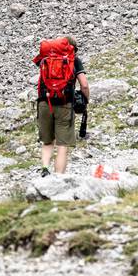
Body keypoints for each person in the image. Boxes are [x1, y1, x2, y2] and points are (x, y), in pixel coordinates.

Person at [33, 35, 90, 175]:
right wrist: (85, 100)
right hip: (65, 105)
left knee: (47, 142)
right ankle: (58, 178)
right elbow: (84, 85)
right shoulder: (74, 60)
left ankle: (45, 168)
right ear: (73, 48)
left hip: (44, 103)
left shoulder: (46, 59)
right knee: (62, 146)